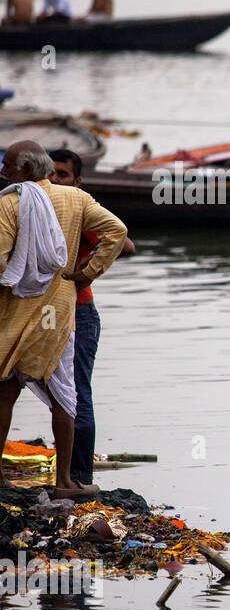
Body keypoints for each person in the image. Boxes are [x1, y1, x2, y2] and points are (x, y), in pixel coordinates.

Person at [0, 140, 127, 498]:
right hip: (61, 312)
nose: (3, 171)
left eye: (8, 165)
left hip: (17, 310)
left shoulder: (11, 203)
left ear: (25, 170)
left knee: (6, 390)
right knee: (65, 398)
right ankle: (66, 483)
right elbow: (117, 232)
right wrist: (87, 273)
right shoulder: (77, 199)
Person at [50, 148, 136, 487]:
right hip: (42, 312)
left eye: (63, 174)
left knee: (76, 394)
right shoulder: (42, 204)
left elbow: (124, 244)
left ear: (77, 181)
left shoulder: (76, 208)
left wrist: (86, 272)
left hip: (78, 311)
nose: (55, 180)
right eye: (51, 173)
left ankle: (79, 477)